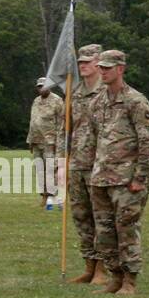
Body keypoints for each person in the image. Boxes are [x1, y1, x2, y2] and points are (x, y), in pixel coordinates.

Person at [83, 50, 149, 294]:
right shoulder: (96, 102)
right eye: (101, 67)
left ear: (121, 69)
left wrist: (140, 177)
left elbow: (146, 141)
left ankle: (130, 280)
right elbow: (94, 139)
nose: (103, 71)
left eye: (107, 67)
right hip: (101, 178)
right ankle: (114, 276)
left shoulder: (135, 101)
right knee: (104, 232)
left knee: (126, 229)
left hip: (127, 179)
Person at [65, 45, 107, 283]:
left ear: (99, 62)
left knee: (100, 216)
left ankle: (103, 267)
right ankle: (89, 266)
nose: (82, 66)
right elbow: (67, 129)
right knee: (81, 216)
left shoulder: (106, 94)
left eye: (88, 62)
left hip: (99, 164)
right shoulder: (76, 93)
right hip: (77, 164)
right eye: (80, 62)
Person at [26, 77, 64, 208]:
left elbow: (61, 123)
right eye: (39, 86)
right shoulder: (36, 101)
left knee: (51, 169)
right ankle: (44, 196)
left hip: (50, 141)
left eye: (43, 86)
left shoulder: (57, 101)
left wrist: (59, 142)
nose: (41, 88)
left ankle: (53, 197)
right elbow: (33, 121)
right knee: (40, 170)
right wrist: (30, 141)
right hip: (36, 141)